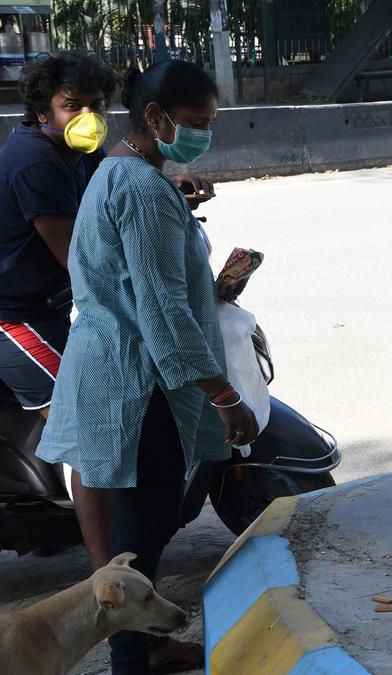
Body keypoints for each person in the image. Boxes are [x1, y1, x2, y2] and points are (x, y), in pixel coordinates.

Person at [34, 60, 258, 675]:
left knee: (141, 524)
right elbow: (162, 311)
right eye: (195, 122)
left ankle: (139, 652)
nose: (204, 134)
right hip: (140, 379)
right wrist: (222, 394)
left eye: (210, 122)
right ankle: (132, 660)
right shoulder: (141, 190)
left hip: (121, 368)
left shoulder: (121, 170)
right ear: (155, 117)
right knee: (145, 527)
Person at [0, 53, 215, 575]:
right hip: (18, 315)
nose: (87, 117)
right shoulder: (34, 162)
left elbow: (111, 204)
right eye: (71, 106)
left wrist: (171, 196)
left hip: (53, 305)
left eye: (95, 105)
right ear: (42, 110)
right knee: (93, 432)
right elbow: (82, 256)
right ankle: (104, 575)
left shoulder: (84, 153)